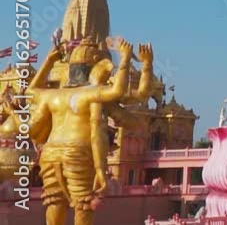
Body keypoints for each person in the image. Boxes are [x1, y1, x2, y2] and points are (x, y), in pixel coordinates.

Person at [26, 39, 145, 225]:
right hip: (77, 152)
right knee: (84, 204)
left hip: (50, 153)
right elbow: (117, 90)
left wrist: (49, 61)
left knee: (54, 201)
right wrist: (125, 58)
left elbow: (30, 91)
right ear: (95, 68)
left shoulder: (52, 95)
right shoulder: (91, 93)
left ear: (70, 69)